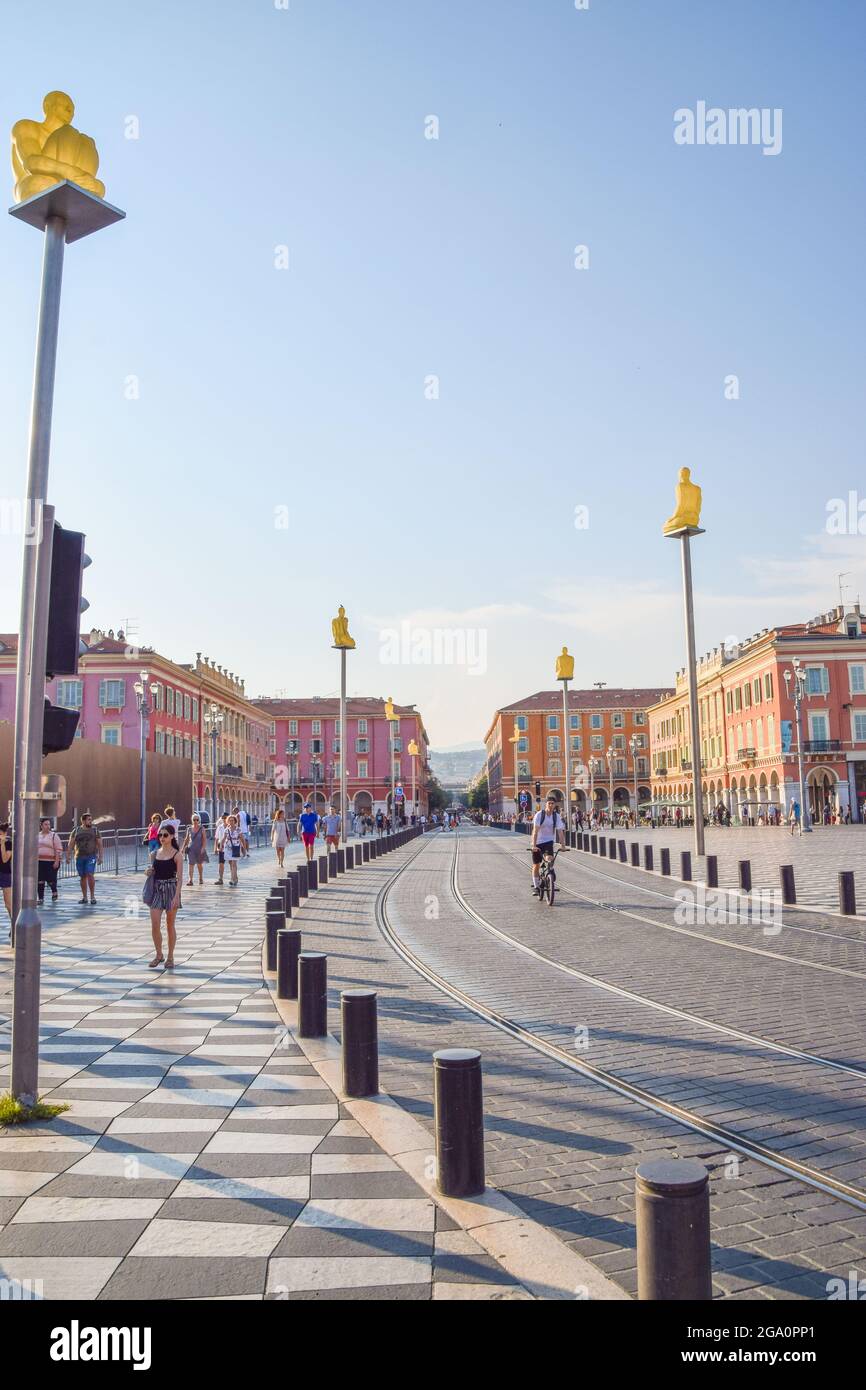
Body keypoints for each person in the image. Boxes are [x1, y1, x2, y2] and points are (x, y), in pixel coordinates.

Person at [148, 825, 181, 969]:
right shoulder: (154, 854)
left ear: (172, 836)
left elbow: (180, 878)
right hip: (157, 889)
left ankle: (170, 957)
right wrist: (148, 871)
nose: (162, 838)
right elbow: (152, 871)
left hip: (171, 889)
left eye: (165, 835)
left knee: (169, 925)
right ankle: (158, 954)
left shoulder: (177, 855)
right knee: (155, 924)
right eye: (160, 835)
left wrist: (176, 896)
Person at [530, 795, 567, 893]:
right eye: (549, 803)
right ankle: (536, 887)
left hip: (548, 842)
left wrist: (563, 845)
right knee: (536, 865)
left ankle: (550, 871)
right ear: (546, 804)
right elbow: (535, 831)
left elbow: (560, 832)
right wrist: (533, 845)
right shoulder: (539, 815)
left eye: (552, 803)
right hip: (537, 842)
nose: (550, 805)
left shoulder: (556, 816)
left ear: (555, 805)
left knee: (549, 858)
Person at [66, 812, 102, 905]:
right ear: (83, 821)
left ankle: (93, 897)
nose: (91, 821)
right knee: (82, 876)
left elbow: (100, 844)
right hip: (79, 856)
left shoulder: (95, 830)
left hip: (91, 856)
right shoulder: (76, 830)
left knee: (90, 874)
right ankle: (84, 897)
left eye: (91, 819)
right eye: (89, 819)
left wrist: (101, 857)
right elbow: (71, 843)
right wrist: (68, 856)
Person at [37, 817, 63, 904]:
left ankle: (54, 892)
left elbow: (58, 849)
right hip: (40, 861)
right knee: (40, 880)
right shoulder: (38, 835)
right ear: (41, 825)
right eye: (46, 824)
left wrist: (56, 861)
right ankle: (41, 898)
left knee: (50, 879)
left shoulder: (54, 836)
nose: (48, 826)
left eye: (49, 824)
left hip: (51, 861)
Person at [182, 813, 208, 886]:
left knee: (199, 864)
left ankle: (200, 877)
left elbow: (204, 839)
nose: (195, 821)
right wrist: (183, 848)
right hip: (191, 849)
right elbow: (186, 839)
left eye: (197, 819)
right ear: (192, 820)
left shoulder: (202, 828)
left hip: (199, 849)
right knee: (191, 864)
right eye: (194, 820)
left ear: (199, 820)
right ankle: (190, 880)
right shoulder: (189, 828)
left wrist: (203, 848)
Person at [224, 813, 242, 885]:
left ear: (235, 821)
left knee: (234, 863)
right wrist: (221, 846)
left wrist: (244, 849)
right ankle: (235, 877)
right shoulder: (226, 830)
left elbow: (242, 838)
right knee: (231, 863)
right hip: (228, 848)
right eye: (230, 820)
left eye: (232, 820)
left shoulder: (238, 829)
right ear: (228, 821)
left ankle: (232, 879)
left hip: (236, 847)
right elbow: (223, 838)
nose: (231, 822)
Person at [0, 822, 12, 925]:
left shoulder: (8, 843)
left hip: (5, 873)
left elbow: (4, 859)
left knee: (8, 903)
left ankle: (14, 924)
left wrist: (2, 844)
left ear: (4, 833)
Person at [213, 814, 227, 885]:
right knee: (221, 863)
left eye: (225, 818)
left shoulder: (230, 826)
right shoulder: (220, 827)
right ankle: (220, 879)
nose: (224, 819)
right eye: (223, 818)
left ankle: (233, 878)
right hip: (221, 847)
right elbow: (216, 838)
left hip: (229, 848)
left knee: (232, 863)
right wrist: (215, 848)